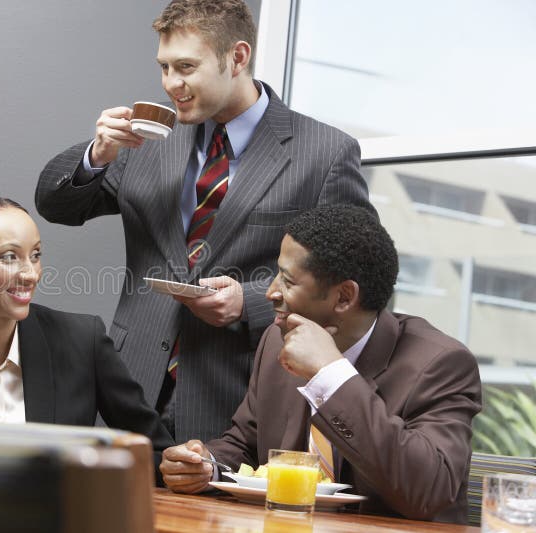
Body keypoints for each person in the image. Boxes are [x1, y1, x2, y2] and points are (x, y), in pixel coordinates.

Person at [35, 0, 375, 443]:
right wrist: (98, 154)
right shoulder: (148, 136)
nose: (170, 83)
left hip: (239, 395)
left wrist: (250, 302)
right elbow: (57, 205)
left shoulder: (325, 154)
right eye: (164, 67)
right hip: (126, 390)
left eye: (186, 67)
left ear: (236, 57)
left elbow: (356, 277)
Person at [159, 205, 483, 523]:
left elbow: (428, 490)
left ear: (344, 297)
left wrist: (331, 374)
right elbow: (246, 444)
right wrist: (206, 465)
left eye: (288, 281)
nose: (271, 292)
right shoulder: (278, 339)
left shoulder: (442, 363)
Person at [0, 195, 173, 454]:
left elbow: (155, 453)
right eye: (9, 257)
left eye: (35, 255)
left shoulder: (83, 341)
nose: (31, 274)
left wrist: (182, 466)